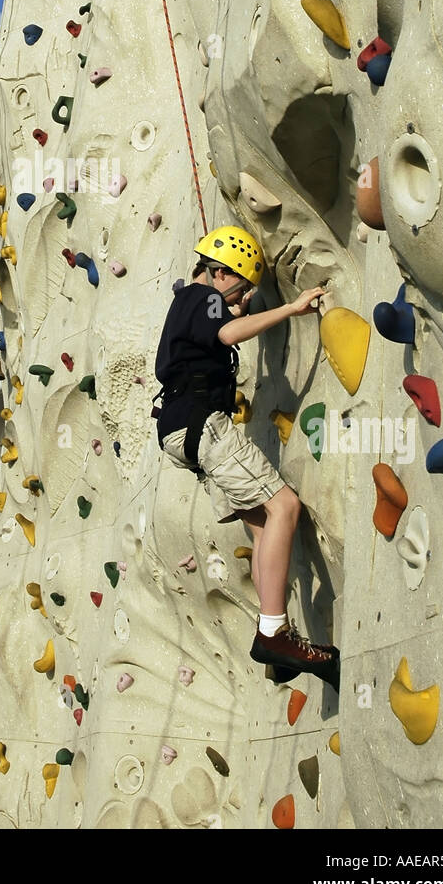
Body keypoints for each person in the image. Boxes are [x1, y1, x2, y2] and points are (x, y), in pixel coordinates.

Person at [153, 225, 339, 687]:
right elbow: (230, 331)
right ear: (218, 272)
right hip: (205, 425)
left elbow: (224, 327)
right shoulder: (202, 298)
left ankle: (280, 647)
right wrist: (292, 308)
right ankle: (274, 632)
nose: (241, 301)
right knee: (285, 507)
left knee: (262, 527)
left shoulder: (188, 305)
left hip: (185, 432)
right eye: (239, 289)